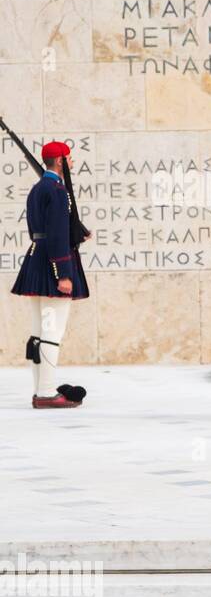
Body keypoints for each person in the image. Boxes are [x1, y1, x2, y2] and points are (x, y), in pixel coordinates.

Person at [11, 141, 90, 408]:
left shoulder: (38, 189)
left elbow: (45, 228)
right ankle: (45, 393)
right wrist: (64, 274)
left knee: (39, 332)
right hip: (52, 265)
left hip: (37, 260)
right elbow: (56, 236)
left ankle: (40, 390)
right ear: (59, 161)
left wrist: (77, 232)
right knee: (51, 331)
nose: (72, 163)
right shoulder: (56, 191)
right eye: (69, 159)